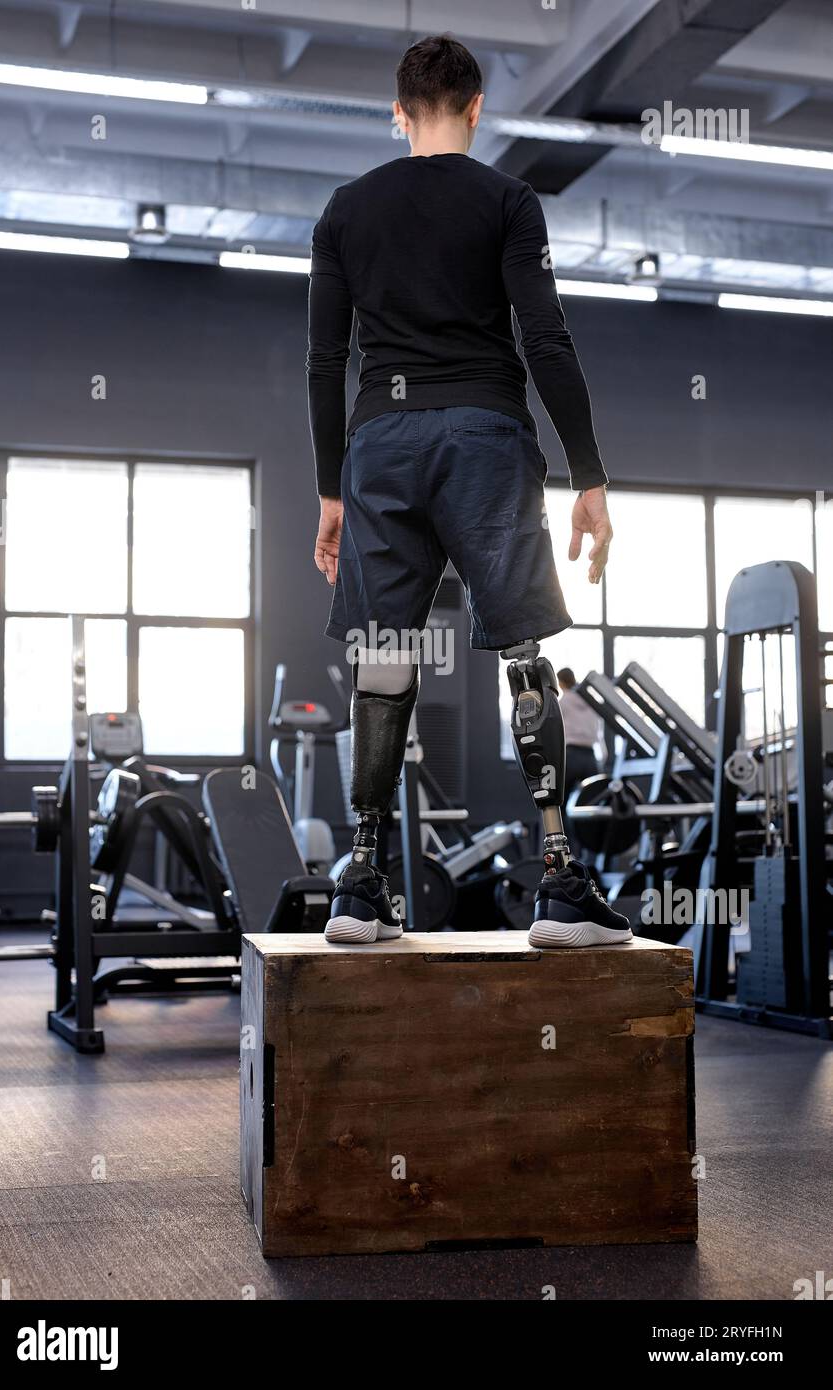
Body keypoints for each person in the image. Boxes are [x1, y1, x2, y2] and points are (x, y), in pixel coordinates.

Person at [307, 34, 631, 949]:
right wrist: (589, 475)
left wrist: (332, 490)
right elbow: (547, 340)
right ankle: (562, 885)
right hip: (486, 432)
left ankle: (361, 886)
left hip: (379, 443)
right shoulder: (507, 199)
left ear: (398, 111)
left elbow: (325, 361)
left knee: (383, 651)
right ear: (478, 107)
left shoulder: (345, 211)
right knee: (521, 646)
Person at [557, 667, 603, 798]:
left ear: (561, 682)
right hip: (590, 756)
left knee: (560, 798)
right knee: (593, 799)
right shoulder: (589, 701)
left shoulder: (563, 702)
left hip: (571, 754)